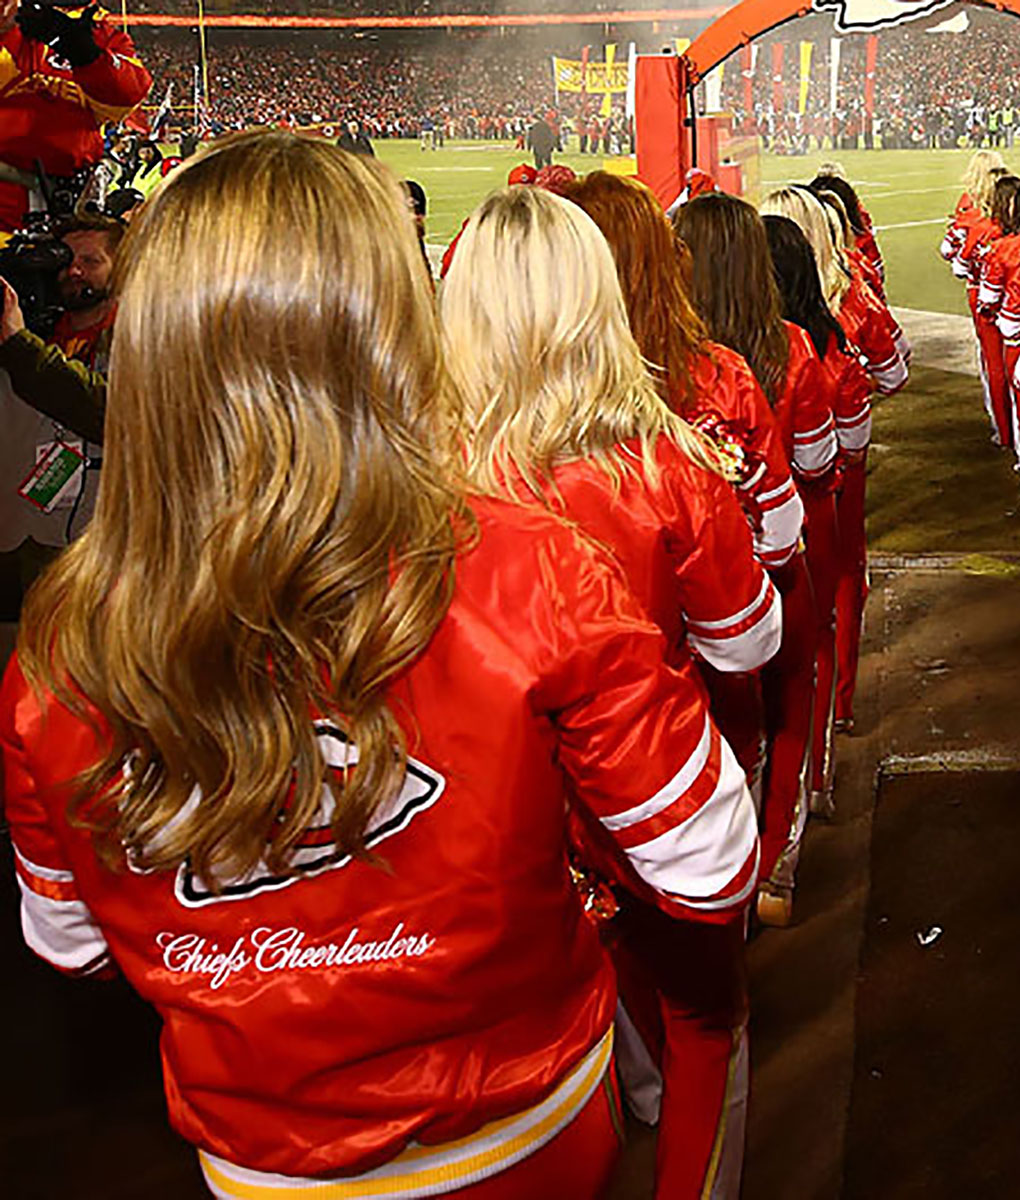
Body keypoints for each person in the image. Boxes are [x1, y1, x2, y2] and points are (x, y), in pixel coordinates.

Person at [1, 130, 759, 1200]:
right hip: (520, 1129)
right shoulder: (529, 567)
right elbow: (710, 865)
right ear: (397, 322)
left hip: (263, 1157)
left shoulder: (61, 647)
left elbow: (71, 942)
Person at [441, 181, 770, 1200]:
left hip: (492, 829)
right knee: (706, 1025)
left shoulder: (408, 484)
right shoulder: (669, 461)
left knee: (580, 1034)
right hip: (652, 799)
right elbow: (749, 643)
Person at [674, 192, 838, 928]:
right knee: (788, 713)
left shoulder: (655, 364)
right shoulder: (788, 348)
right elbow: (818, 460)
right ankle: (773, 872)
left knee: (707, 731)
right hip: (777, 566)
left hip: (686, 583)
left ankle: (713, 878)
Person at [0, 0, 151, 234]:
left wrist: (88, 57)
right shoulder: (11, 22)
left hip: (71, 208)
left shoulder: (102, 33)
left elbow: (127, 97)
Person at [50, 214, 123, 369]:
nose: (73, 271)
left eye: (90, 261)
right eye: (65, 260)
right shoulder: (43, 329)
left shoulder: (132, 335)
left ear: (119, 266)